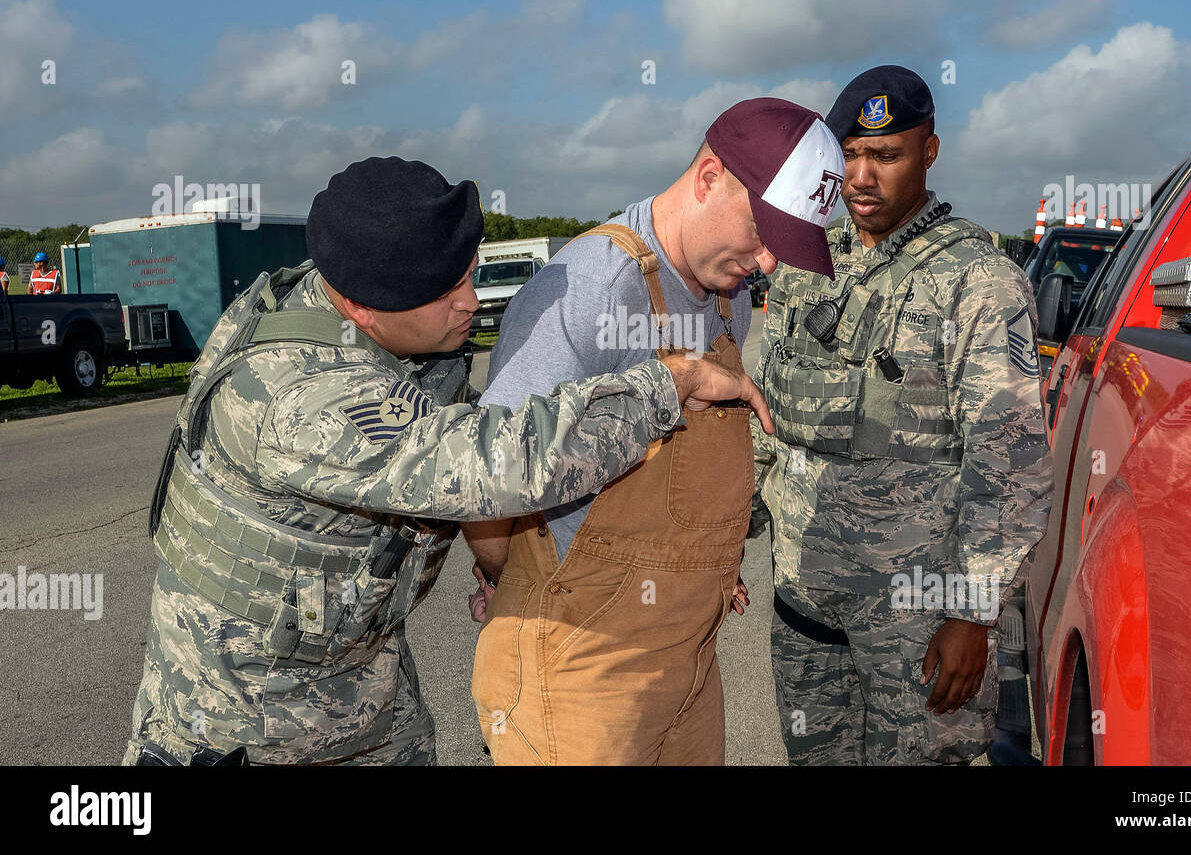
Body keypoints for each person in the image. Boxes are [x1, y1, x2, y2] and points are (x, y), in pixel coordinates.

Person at [122, 155, 770, 767]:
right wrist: (666, 385)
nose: (470, 301)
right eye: (444, 291)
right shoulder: (299, 395)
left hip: (361, 666)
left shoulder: (373, 283)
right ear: (361, 309)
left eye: (467, 273)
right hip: (243, 712)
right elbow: (496, 464)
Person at [468, 98, 845, 765]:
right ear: (708, 179)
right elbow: (485, 473)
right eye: (762, 237)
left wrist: (693, 570)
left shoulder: (725, 296)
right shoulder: (590, 286)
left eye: (781, 248)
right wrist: (527, 577)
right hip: (584, 673)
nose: (766, 265)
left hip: (688, 664)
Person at [752, 66, 1054, 765]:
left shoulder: (979, 283)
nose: (861, 176)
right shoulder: (803, 267)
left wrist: (973, 613)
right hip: (803, 597)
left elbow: (1008, 464)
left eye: (885, 155)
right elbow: (767, 416)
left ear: (929, 151)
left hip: (916, 615)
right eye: (849, 154)